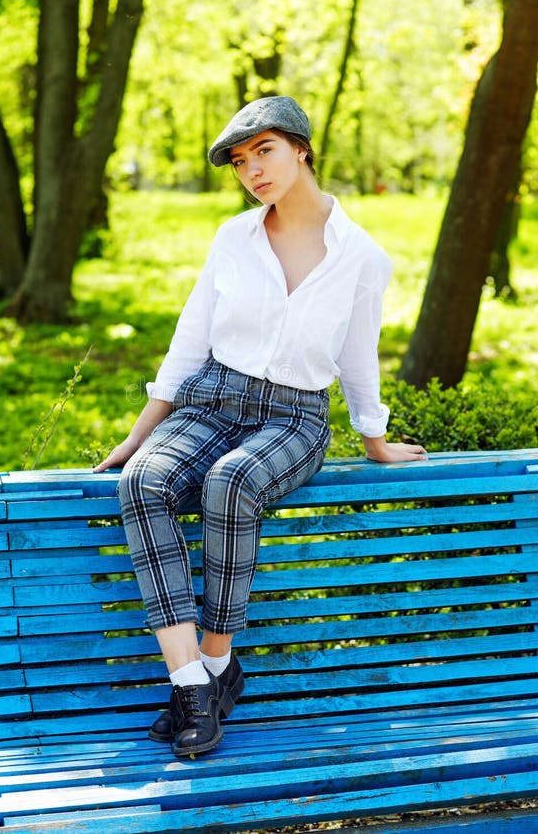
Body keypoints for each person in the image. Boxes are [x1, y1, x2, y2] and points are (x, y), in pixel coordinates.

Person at [94, 95, 426, 757]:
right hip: (212, 397)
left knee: (231, 481)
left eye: (263, 151)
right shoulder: (233, 238)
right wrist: (138, 435)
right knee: (143, 482)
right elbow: (190, 339)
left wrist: (374, 439)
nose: (252, 171)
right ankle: (193, 682)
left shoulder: (360, 256)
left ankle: (217, 663)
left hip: (294, 414)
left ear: (301, 148)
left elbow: (358, 354)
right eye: (240, 162)